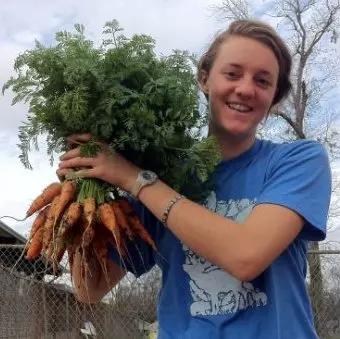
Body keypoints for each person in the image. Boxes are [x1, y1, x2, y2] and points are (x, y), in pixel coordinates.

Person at [57, 19, 332, 339]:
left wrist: (135, 179)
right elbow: (89, 287)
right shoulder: (165, 177)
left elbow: (246, 256)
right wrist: (82, 194)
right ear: (204, 79)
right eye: (232, 73)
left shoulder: (298, 161)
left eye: (263, 81)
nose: (245, 88)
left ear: (274, 97)